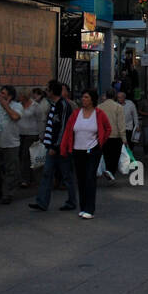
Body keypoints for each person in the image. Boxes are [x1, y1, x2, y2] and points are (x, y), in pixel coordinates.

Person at [59, 89, 113, 219]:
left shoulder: (99, 114)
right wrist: (64, 148)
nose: (83, 99)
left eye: (86, 97)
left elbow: (107, 129)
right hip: (77, 151)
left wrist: (100, 142)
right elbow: (68, 131)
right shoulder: (76, 114)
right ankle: (83, 207)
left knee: (90, 178)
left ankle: (90, 209)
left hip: (92, 151)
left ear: (92, 99)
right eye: (83, 97)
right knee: (81, 179)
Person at [31, 80, 77, 213]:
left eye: (47, 89)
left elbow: (62, 127)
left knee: (66, 175)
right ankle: (42, 202)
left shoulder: (63, 105)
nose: (46, 91)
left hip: (60, 148)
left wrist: (55, 146)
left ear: (52, 91)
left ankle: (72, 201)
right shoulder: (54, 105)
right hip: (52, 145)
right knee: (47, 173)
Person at [0, 86, 23, 204]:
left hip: (11, 144)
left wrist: (5, 105)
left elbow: (15, 117)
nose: (0, 95)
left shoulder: (17, 106)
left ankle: (8, 194)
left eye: (3, 93)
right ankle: (0, 187)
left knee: (11, 169)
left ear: (10, 96)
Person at [16, 88, 48, 188]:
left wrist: (41, 135)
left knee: (26, 156)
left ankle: (25, 179)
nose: (19, 98)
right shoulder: (18, 106)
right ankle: (29, 177)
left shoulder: (35, 106)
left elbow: (41, 120)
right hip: (19, 133)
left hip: (32, 134)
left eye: (20, 96)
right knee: (22, 156)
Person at [98, 90, 126, 182]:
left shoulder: (99, 107)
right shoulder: (118, 107)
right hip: (115, 136)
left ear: (106, 96)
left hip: (103, 136)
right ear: (114, 96)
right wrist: (124, 138)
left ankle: (108, 171)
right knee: (115, 156)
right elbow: (121, 124)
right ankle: (110, 172)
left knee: (106, 154)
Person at [119, 90, 140, 159]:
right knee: (121, 144)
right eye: (118, 97)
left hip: (128, 127)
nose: (118, 99)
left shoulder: (130, 104)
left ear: (124, 98)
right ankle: (123, 157)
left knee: (129, 143)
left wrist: (137, 125)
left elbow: (135, 115)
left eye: (120, 97)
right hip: (119, 128)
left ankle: (130, 156)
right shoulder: (116, 105)